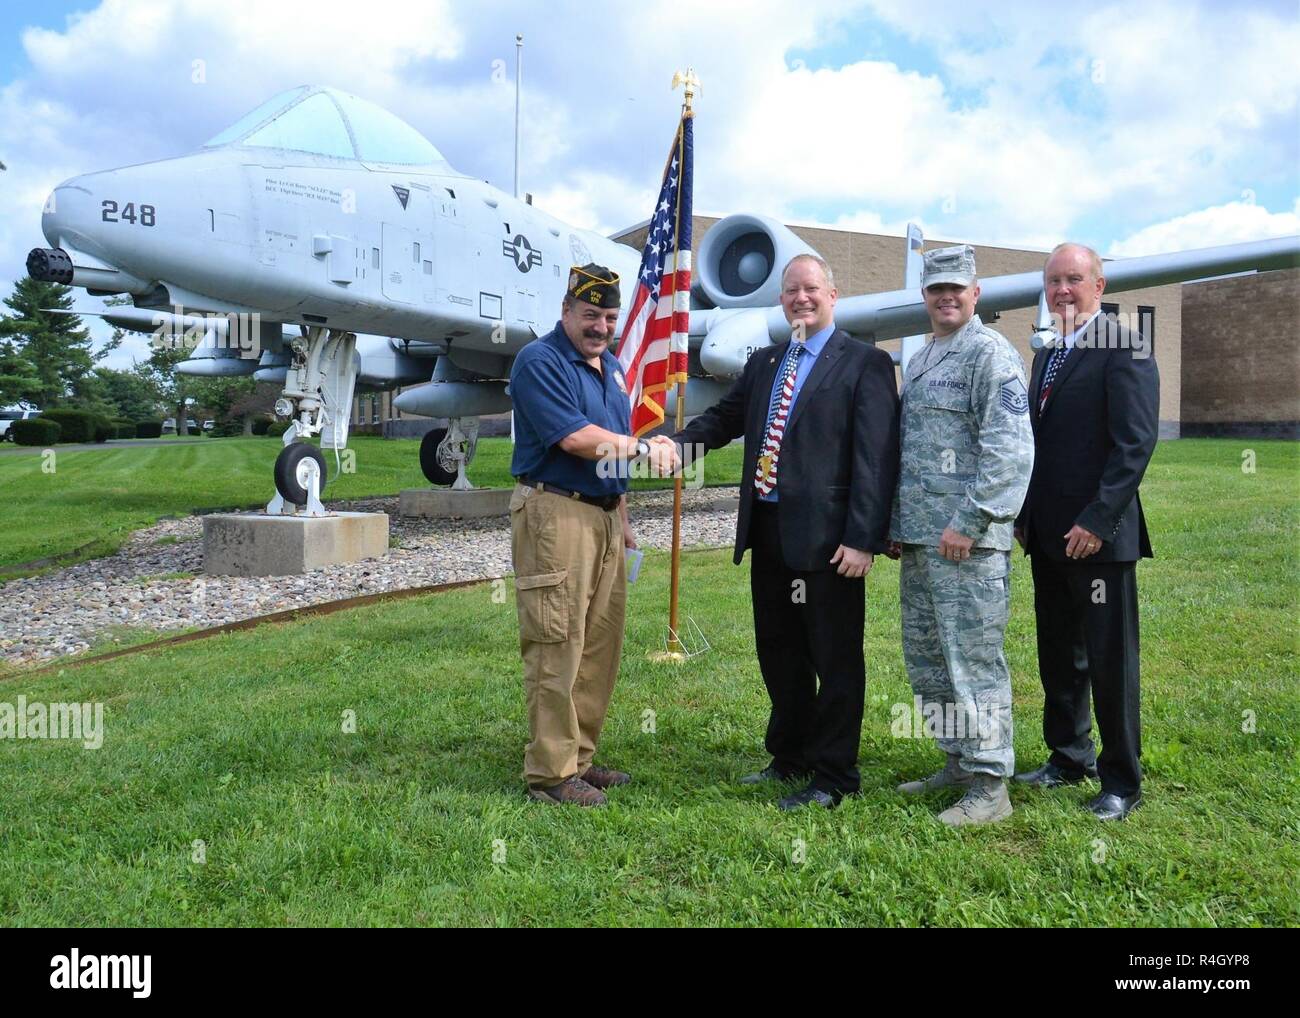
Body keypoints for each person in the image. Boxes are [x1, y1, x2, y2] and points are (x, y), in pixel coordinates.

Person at [673, 254, 899, 810]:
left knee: (834, 657)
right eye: (792, 291)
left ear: (833, 295)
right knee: (779, 652)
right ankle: (789, 757)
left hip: (830, 540)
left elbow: (876, 457)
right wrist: (675, 447)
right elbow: (725, 421)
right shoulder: (766, 362)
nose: (802, 298)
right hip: (769, 530)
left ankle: (835, 775)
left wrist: (863, 538)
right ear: (782, 301)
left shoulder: (865, 363)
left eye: (812, 289)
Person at [507, 263, 679, 807]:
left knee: (599, 644)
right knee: (557, 640)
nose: (601, 327)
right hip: (556, 513)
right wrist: (648, 449)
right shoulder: (540, 361)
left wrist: (623, 519)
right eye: (590, 315)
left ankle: (578, 757)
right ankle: (550, 775)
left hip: (604, 516)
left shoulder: (611, 370)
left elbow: (612, 445)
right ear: (566, 311)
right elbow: (579, 440)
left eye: (609, 317)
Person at [886, 245, 1034, 826]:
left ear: (976, 294)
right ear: (924, 296)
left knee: (973, 663)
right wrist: (900, 527)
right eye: (935, 289)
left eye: (957, 288)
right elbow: (909, 451)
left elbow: (1009, 450)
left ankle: (991, 783)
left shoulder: (989, 354)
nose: (946, 297)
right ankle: (957, 762)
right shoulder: (922, 360)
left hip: (967, 545)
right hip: (923, 543)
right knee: (930, 664)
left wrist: (970, 522)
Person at [1013, 243, 1159, 821]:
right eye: (1054, 282)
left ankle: (1121, 781)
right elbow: (1035, 447)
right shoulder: (1046, 354)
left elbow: (1134, 442)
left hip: (1099, 539)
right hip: (1048, 538)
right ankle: (1070, 756)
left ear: (1099, 286)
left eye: (1075, 280)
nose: (1063, 291)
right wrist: (1026, 518)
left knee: (1109, 661)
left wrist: (1097, 520)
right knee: (1059, 654)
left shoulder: (1125, 344)